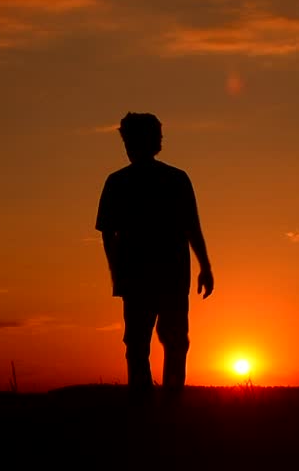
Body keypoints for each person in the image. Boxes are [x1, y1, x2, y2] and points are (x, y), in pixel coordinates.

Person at [95, 112, 214, 401]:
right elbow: (109, 233)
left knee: (147, 343)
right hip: (159, 276)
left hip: (153, 277)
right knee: (153, 343)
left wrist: (118, 271)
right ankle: (158, 402)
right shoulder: (169, 179)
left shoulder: (125, 182)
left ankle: (157, 402)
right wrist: (205, 266)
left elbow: (190, 226)